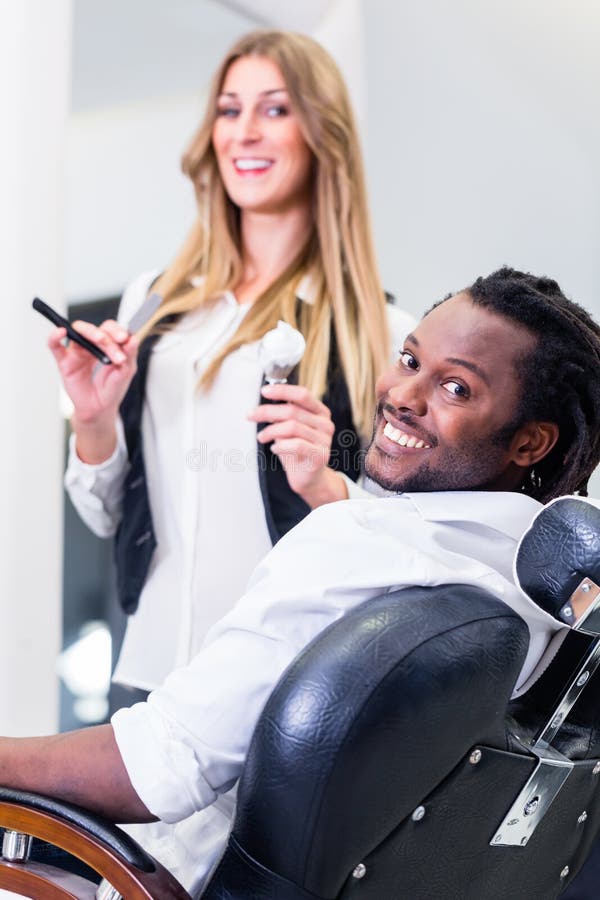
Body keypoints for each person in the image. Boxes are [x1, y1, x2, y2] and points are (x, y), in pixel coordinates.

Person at [4, 267, 600, 894]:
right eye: (408, 360)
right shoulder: (546, 603)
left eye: (454, 387)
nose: (403, 394)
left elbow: (163, 766)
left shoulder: (355, 544)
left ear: (531, 442)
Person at [49, 30, 415, 693]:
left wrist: (327, 481)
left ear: (320, 135)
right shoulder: (154, 304)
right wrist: (94, 423)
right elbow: (109, 516)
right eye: (228, 109)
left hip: (286, 684)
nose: (244, 131)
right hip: (146, 678)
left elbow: (404, 544)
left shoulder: (382, 332)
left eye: (275, 109)